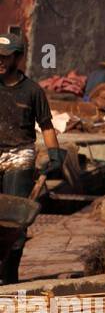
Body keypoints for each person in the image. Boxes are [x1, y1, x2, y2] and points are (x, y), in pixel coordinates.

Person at [0, 34, 64, 284]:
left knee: (14, 220)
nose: (1, 62)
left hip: (20, 156)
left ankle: (10, 272)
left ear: (18, 58)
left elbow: (46, 126)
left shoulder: (32, 91)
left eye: (6, 57)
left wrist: (55, 155)